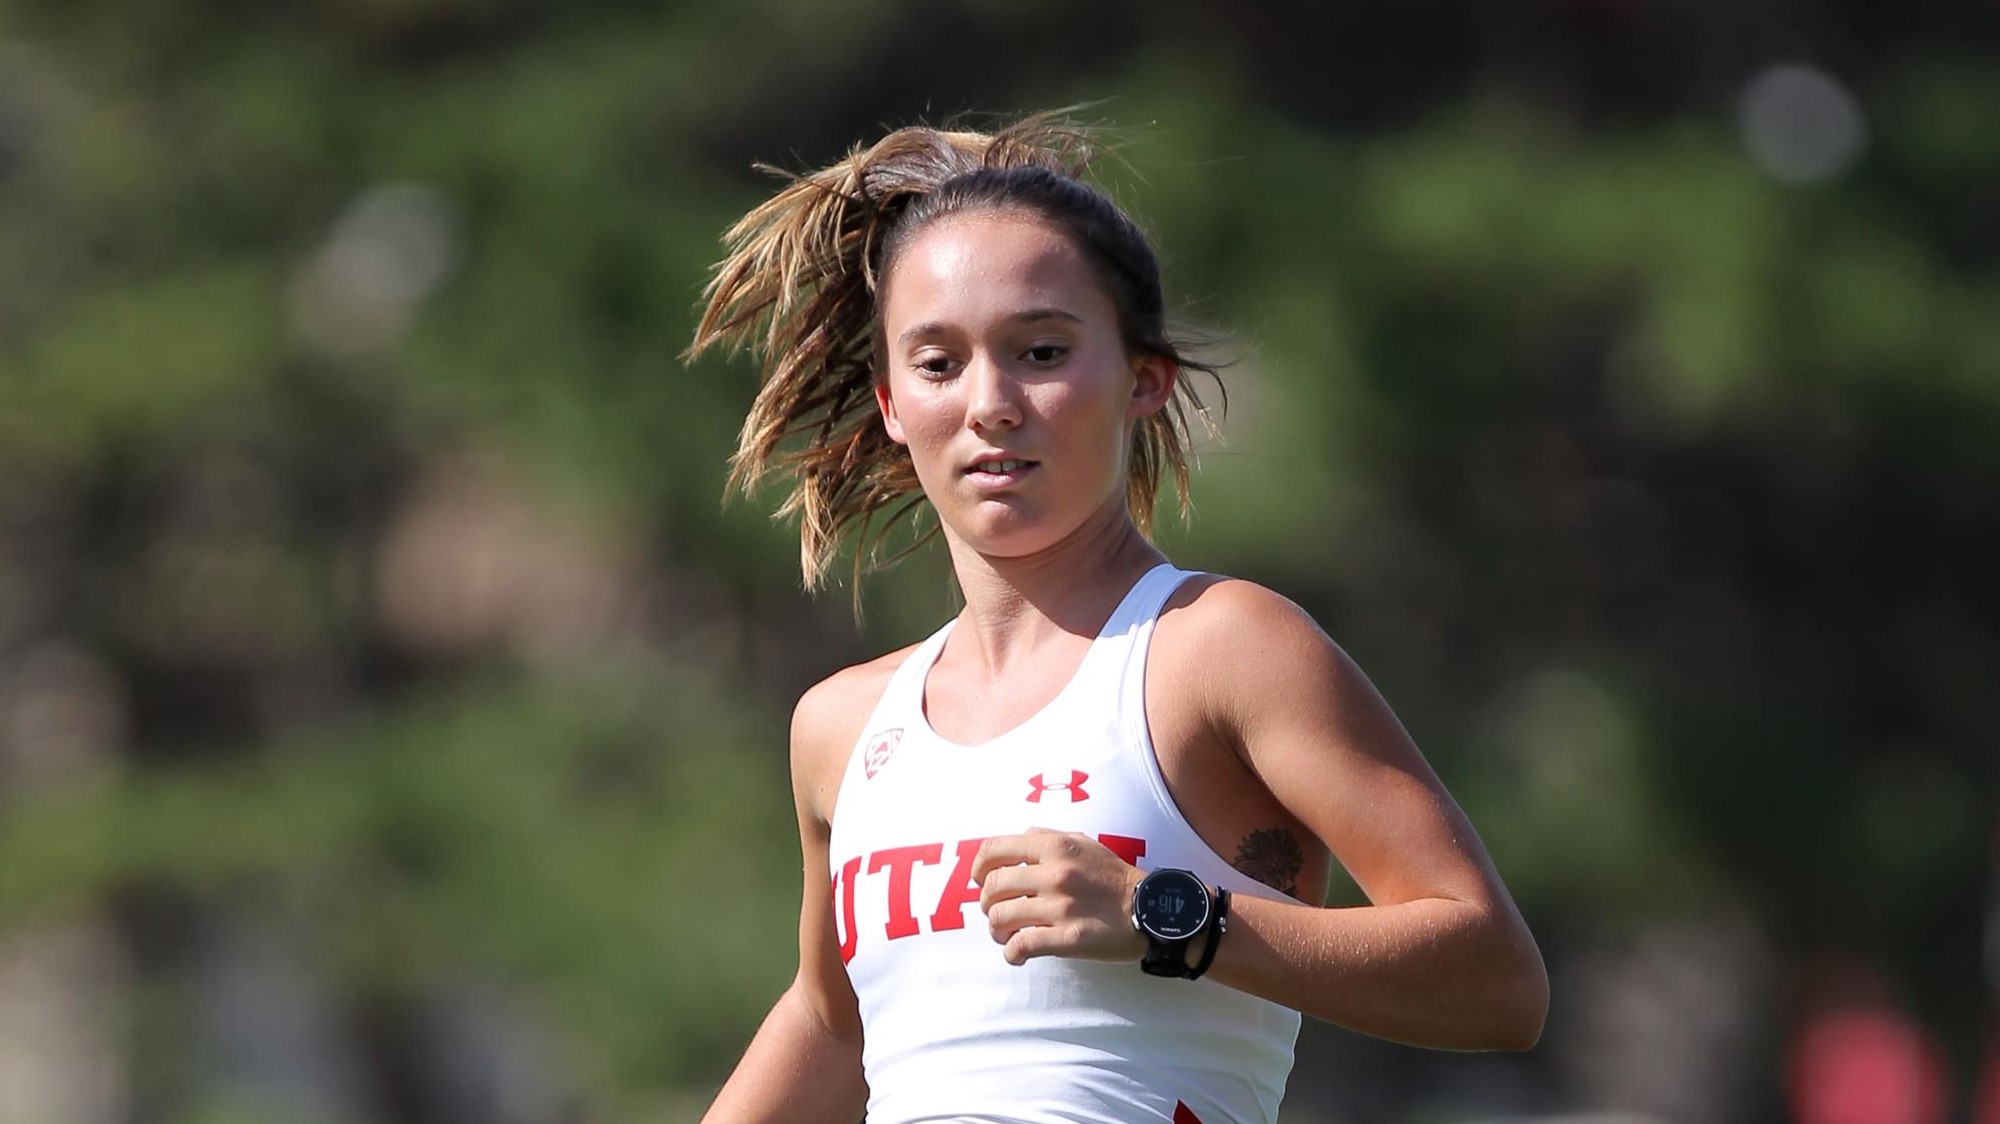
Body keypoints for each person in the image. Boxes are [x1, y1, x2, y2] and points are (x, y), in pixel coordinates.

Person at [687, 114, 1548, 1124]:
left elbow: (1496, 979)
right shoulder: (838, 727)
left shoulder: (1218, 648)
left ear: (1143, 378)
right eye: (937, 363)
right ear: (887, 401)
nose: (990, 402)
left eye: (1039, 349)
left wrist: (1162, 915)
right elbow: (834, 1024)